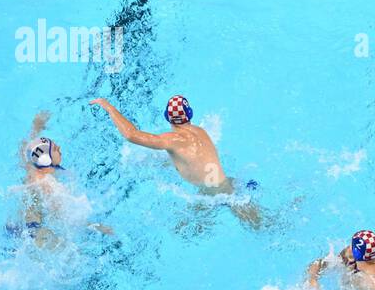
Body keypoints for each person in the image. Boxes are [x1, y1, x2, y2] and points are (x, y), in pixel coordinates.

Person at [89, 95, 261, 228]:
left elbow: (131, 135)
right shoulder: (200, 131)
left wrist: (108, 107)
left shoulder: (173, 140)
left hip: (211, 196)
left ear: (168, 118)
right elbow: (193, 160)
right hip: (228, 185)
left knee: (180, 231)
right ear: (190, 114)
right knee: (263, 226)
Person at [13, 111, 111, 247]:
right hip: (35, 231)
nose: (58, 148)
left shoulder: (32, 168)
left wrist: (36, 127)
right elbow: (65, 216)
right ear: (46, 160)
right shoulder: (47, 184)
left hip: (17, 224)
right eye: (54, 149)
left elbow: (24, 148)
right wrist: (97, 227)